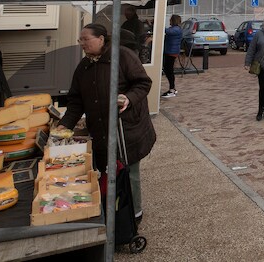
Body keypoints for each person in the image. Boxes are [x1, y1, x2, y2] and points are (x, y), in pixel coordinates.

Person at [57, 23, 157, 220]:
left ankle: (133, 215)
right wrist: (64, 124)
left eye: (86, 39)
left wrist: (129, 97)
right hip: (101, 128)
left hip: (127, 127)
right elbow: (76, 101)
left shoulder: (123, 56)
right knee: (107, 170)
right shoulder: (84, 66)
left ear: (101, 39)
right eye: (80, 40)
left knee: (128, 170)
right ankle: (113, 209)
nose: (82, 43)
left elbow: (143, 82)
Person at [161, 14, 182, 98]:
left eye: (170, 20)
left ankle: (172, 89)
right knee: (168, 70)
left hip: (171, 52)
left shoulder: (176, 29)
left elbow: (166, 31)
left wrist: (157, 24)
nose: (169, 21)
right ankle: (172, 88)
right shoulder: (175, 29)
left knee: (169, 70)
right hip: (170, 51)